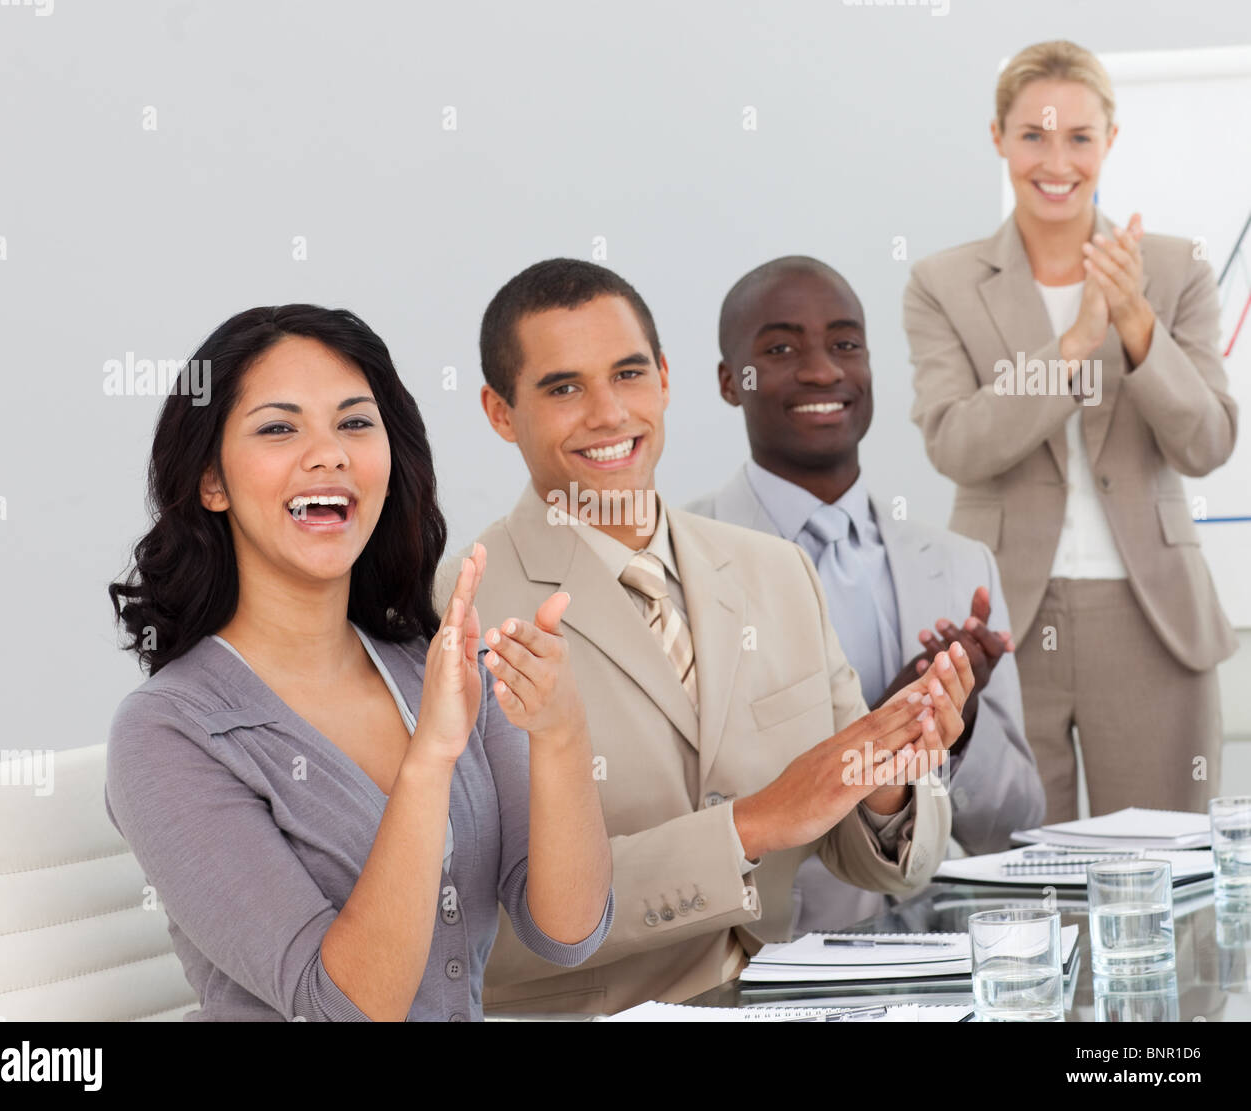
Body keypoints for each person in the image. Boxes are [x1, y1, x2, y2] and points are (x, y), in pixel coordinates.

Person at [437, 259, 976, 1016]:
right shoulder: (456, 608)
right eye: (564, 388)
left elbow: (884, 865)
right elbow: (467, 926)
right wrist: (751, 825)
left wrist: (885, 770)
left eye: (628, 374)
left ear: (663, 377)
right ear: (499, 411)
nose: (607, 413)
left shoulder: (777, 571)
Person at [105, 304, 613, 1021]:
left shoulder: (437, 664)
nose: (329, 453)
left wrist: (562, 734)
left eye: (354, 422)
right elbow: (341, 1004)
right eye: (279, 427)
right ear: (211, 482)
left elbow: (566, 932)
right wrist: (431, 757)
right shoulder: (168, 732)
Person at [903, 39, 1238, 823]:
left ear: (1110, 141)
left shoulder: (1173, 268)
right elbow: (957, 443)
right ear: (998, 138)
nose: (1057, 161)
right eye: (1033, 135)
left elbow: (1208, 442)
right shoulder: (942, 283)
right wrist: (1077, 343)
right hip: (1007, 622)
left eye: (1079, 137)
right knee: (1020, 878)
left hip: (1151, 618)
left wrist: (1137, 327)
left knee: (1160, 871)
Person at [688, 255, 1046, 931]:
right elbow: (682, 822)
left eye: (846, 344)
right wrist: (881, 731)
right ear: (731, 382)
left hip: (944, 966)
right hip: (764, 966)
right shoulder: (678, 561)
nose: (824, 369)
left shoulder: (959, 564)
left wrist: (958, 724)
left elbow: (1015, 827)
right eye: (782, 347)